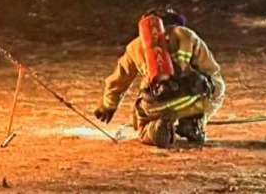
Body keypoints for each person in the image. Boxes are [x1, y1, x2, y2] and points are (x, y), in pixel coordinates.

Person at [93, 8, 226, 147]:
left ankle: (153, 129)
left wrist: (108, 105)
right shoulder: (186, 35)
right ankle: (193, 123)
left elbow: (118, 81)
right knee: (218, 87)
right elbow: (212, 72)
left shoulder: (135, 45)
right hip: (189, 101)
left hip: (154, 104)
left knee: (142, 125)